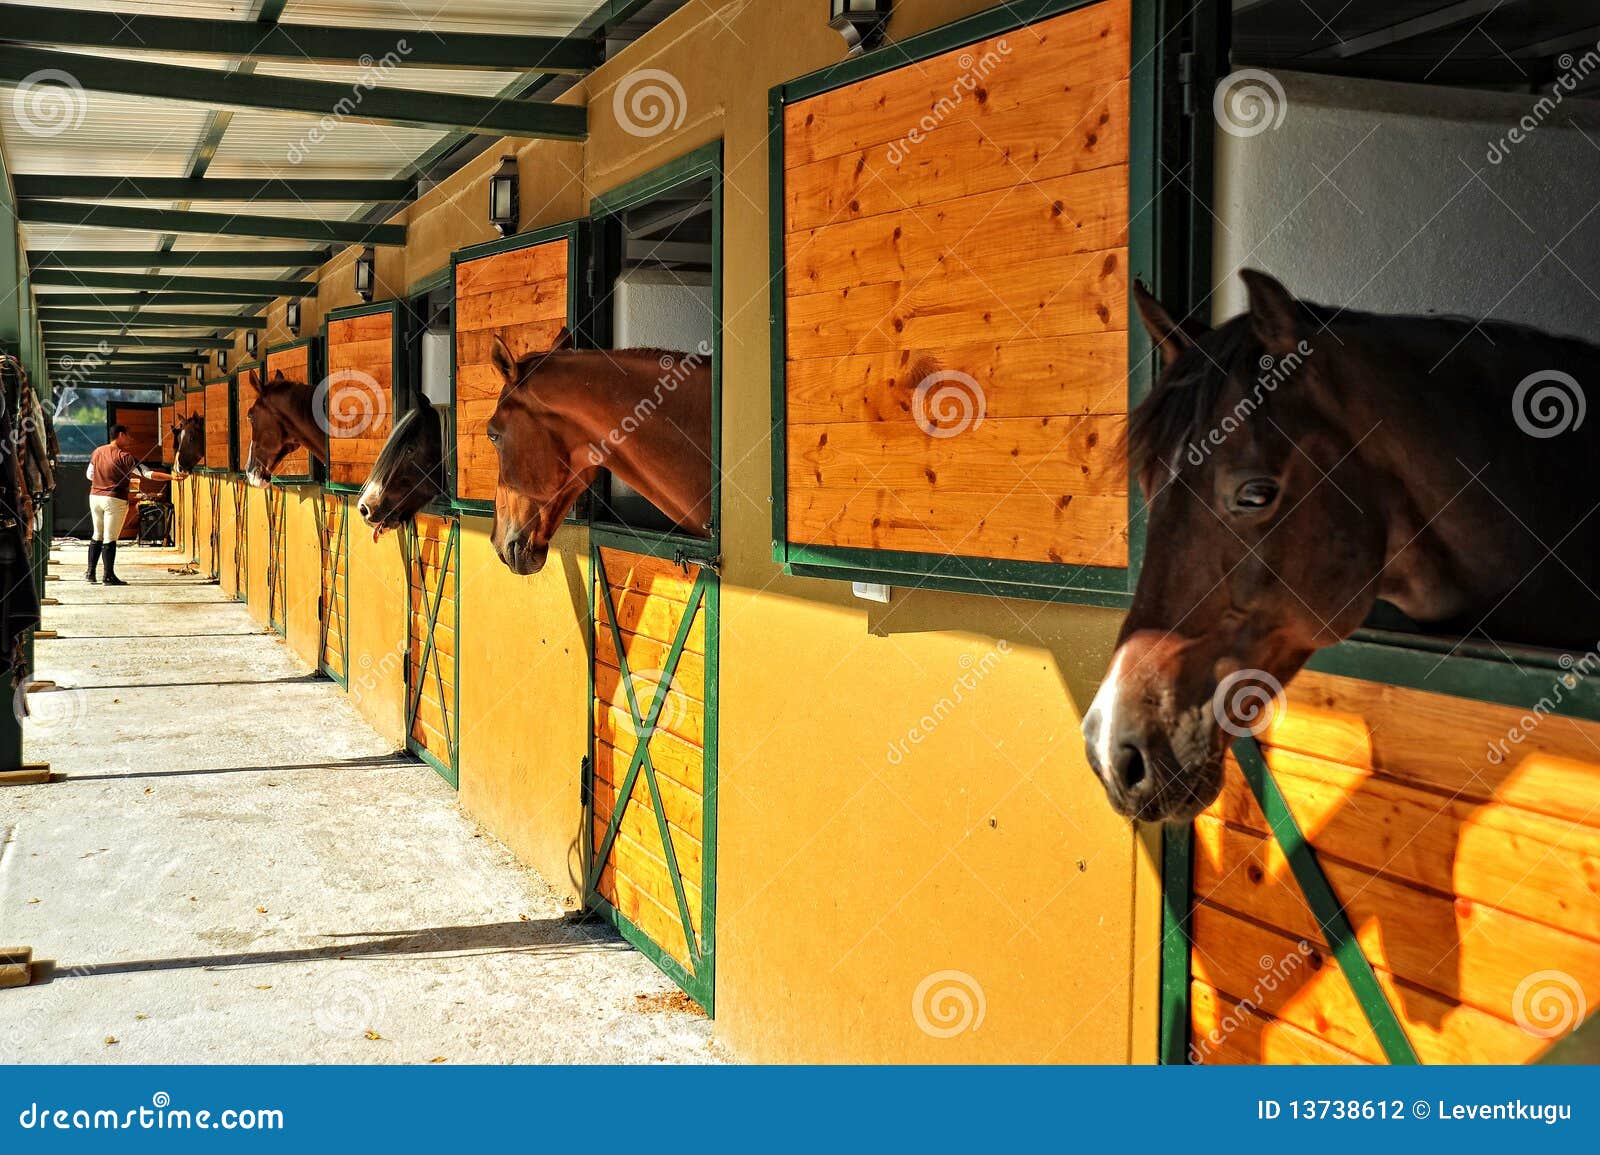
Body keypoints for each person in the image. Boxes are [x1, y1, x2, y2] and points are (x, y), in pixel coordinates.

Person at [86, 424, 173, 586]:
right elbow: (148, 473)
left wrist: (102, 480)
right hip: (114, 499)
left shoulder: (97, 451)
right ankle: (108, 576)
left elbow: (89, 475)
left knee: (97, 534)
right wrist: (172, 477)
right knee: (110, 538)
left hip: (94, 497)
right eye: (128, 436)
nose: (130, 439)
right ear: (120, 435)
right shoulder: (125, 457)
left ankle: (90, 573)